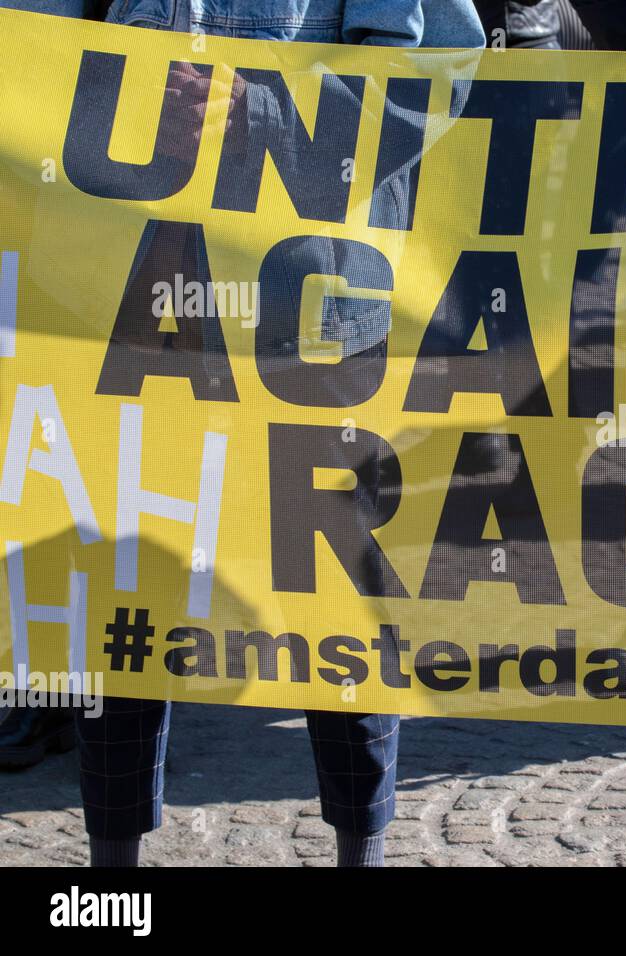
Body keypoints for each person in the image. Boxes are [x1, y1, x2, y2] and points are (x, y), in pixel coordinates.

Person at [0, 0, 485, 867]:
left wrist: (262, 112)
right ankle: (114, 887)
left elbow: (441, 65)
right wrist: (129, 106)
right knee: (124, 577)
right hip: (127, 278)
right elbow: (26, 48)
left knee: (335, 583)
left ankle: (358, 853)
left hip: (308, 296)